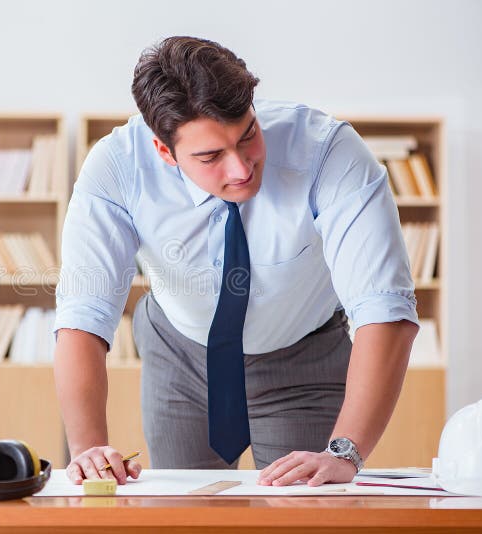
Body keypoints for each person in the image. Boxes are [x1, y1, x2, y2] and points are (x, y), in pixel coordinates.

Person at [53, 36, 418, 488]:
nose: (242, 168)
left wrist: (347, 452)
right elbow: (84, 315)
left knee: (300, 511)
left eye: (248, 135)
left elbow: (385, 307)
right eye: (210, 156)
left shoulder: (329, 153)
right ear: (165, 152)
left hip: (301, 353)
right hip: (179, 353)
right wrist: (89, 451)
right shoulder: (117, 168)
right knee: (186, 513)